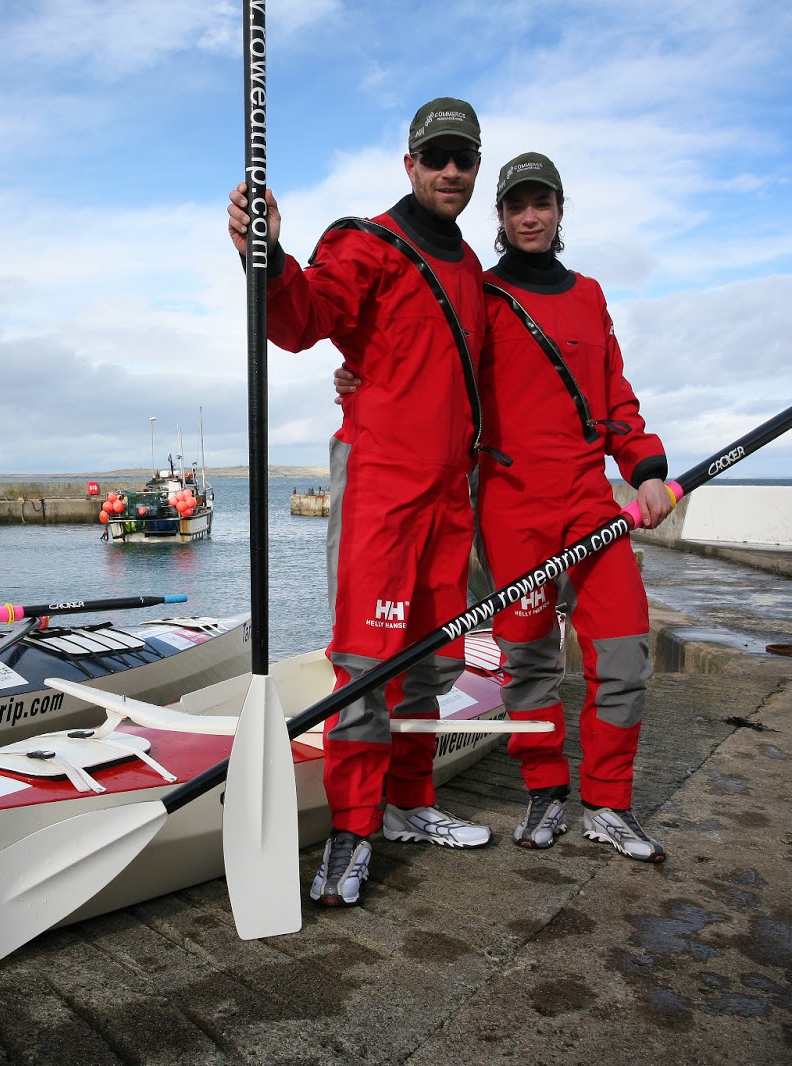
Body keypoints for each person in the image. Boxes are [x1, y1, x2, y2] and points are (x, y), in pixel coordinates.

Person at [335, 151, 674, 862]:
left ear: (558, 211)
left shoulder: (589, 295)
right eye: (516, 205)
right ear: (499, 215)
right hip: (511, 505)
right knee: (527, 664)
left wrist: (645, 469)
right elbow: (422, 362)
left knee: (624, 655)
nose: (529, 216)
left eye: (541, 204)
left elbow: (615, 395)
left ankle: (610, 804)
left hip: (590, 503)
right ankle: (546, 792)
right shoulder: (476, 294)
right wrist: (360, 377)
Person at [227, 98, 497, 907]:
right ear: (410, 165)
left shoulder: (473, 272)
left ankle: (411, 804)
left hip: (454, 496)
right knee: (368, 667)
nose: (451, 171)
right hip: (382, 485)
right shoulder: (367, 243)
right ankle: (352, 833)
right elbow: (304, 320)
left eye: (465, 158)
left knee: (433, 662)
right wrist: (266, 256)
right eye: (437, 156)